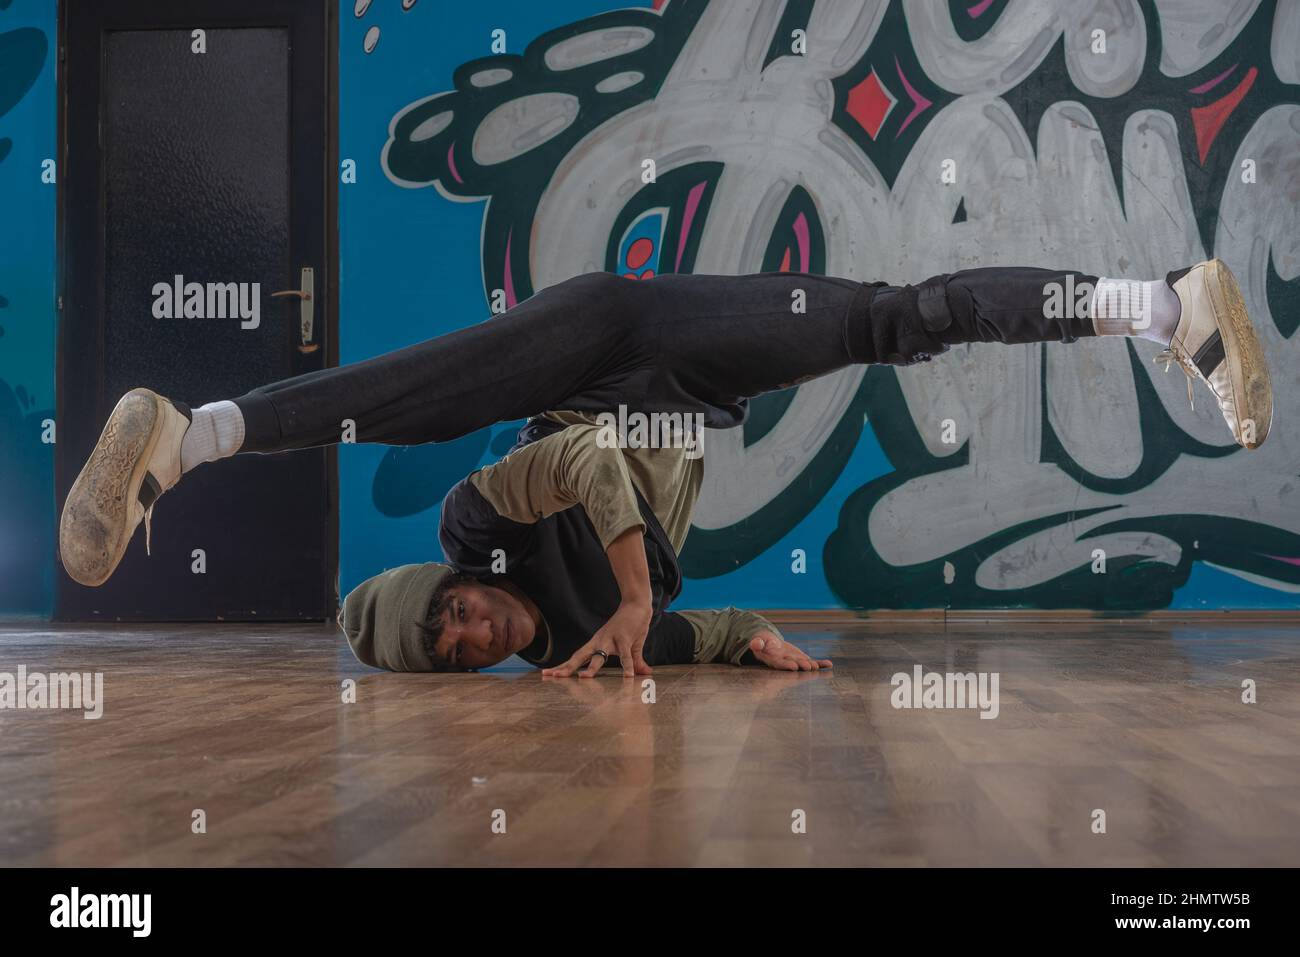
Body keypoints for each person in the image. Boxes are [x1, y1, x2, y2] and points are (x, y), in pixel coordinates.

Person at [58, 260, 1273, 675]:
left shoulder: (472, 530)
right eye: (459, 653)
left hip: (611, 343)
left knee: (419, 401)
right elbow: (709, 634)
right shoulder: (578, 645)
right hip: (693, 399)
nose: (470, 627)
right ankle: (1174, 307)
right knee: (889, 330)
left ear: (444, 587)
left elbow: (585, 460)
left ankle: (193, 432)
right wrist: (749, 648)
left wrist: (638, 595)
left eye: (449, 615)